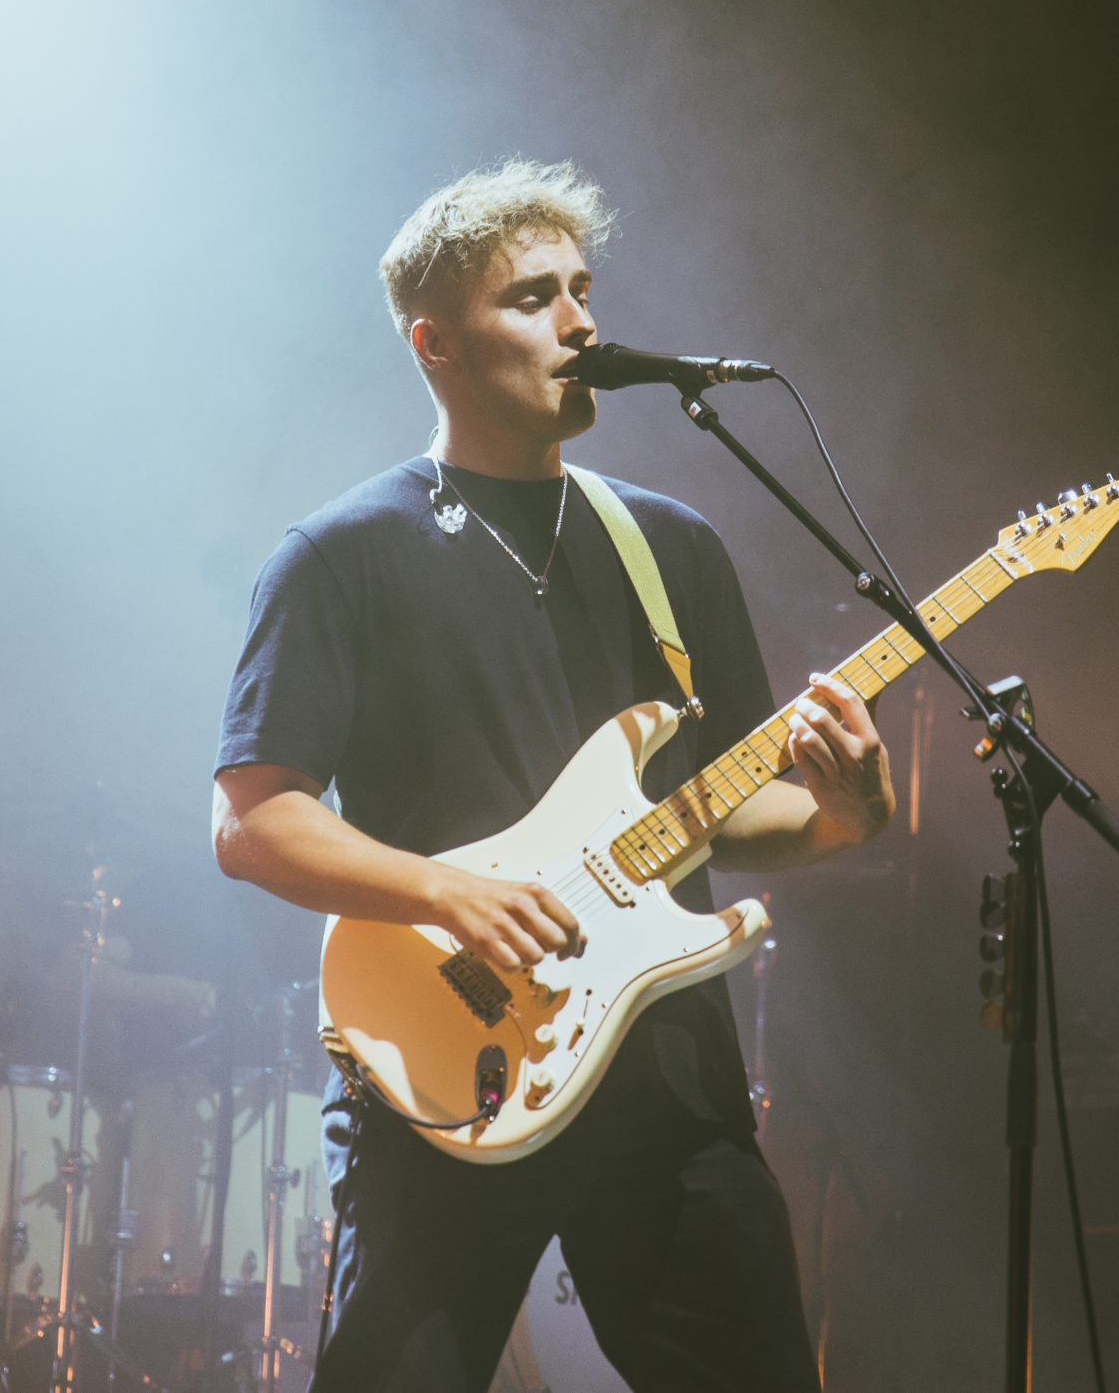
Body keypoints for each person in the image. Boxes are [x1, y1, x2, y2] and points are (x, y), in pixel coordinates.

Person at [213, 160, 894, 1391]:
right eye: (531, 298)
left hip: (662, 1077)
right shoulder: (342, 554)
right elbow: (254, 826)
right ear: (436, 346)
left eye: (582, 289)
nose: (580, 322)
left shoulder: (669, 546)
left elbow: (734, 800)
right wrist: (443, 893)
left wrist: (844, 812)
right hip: (445, 1055)